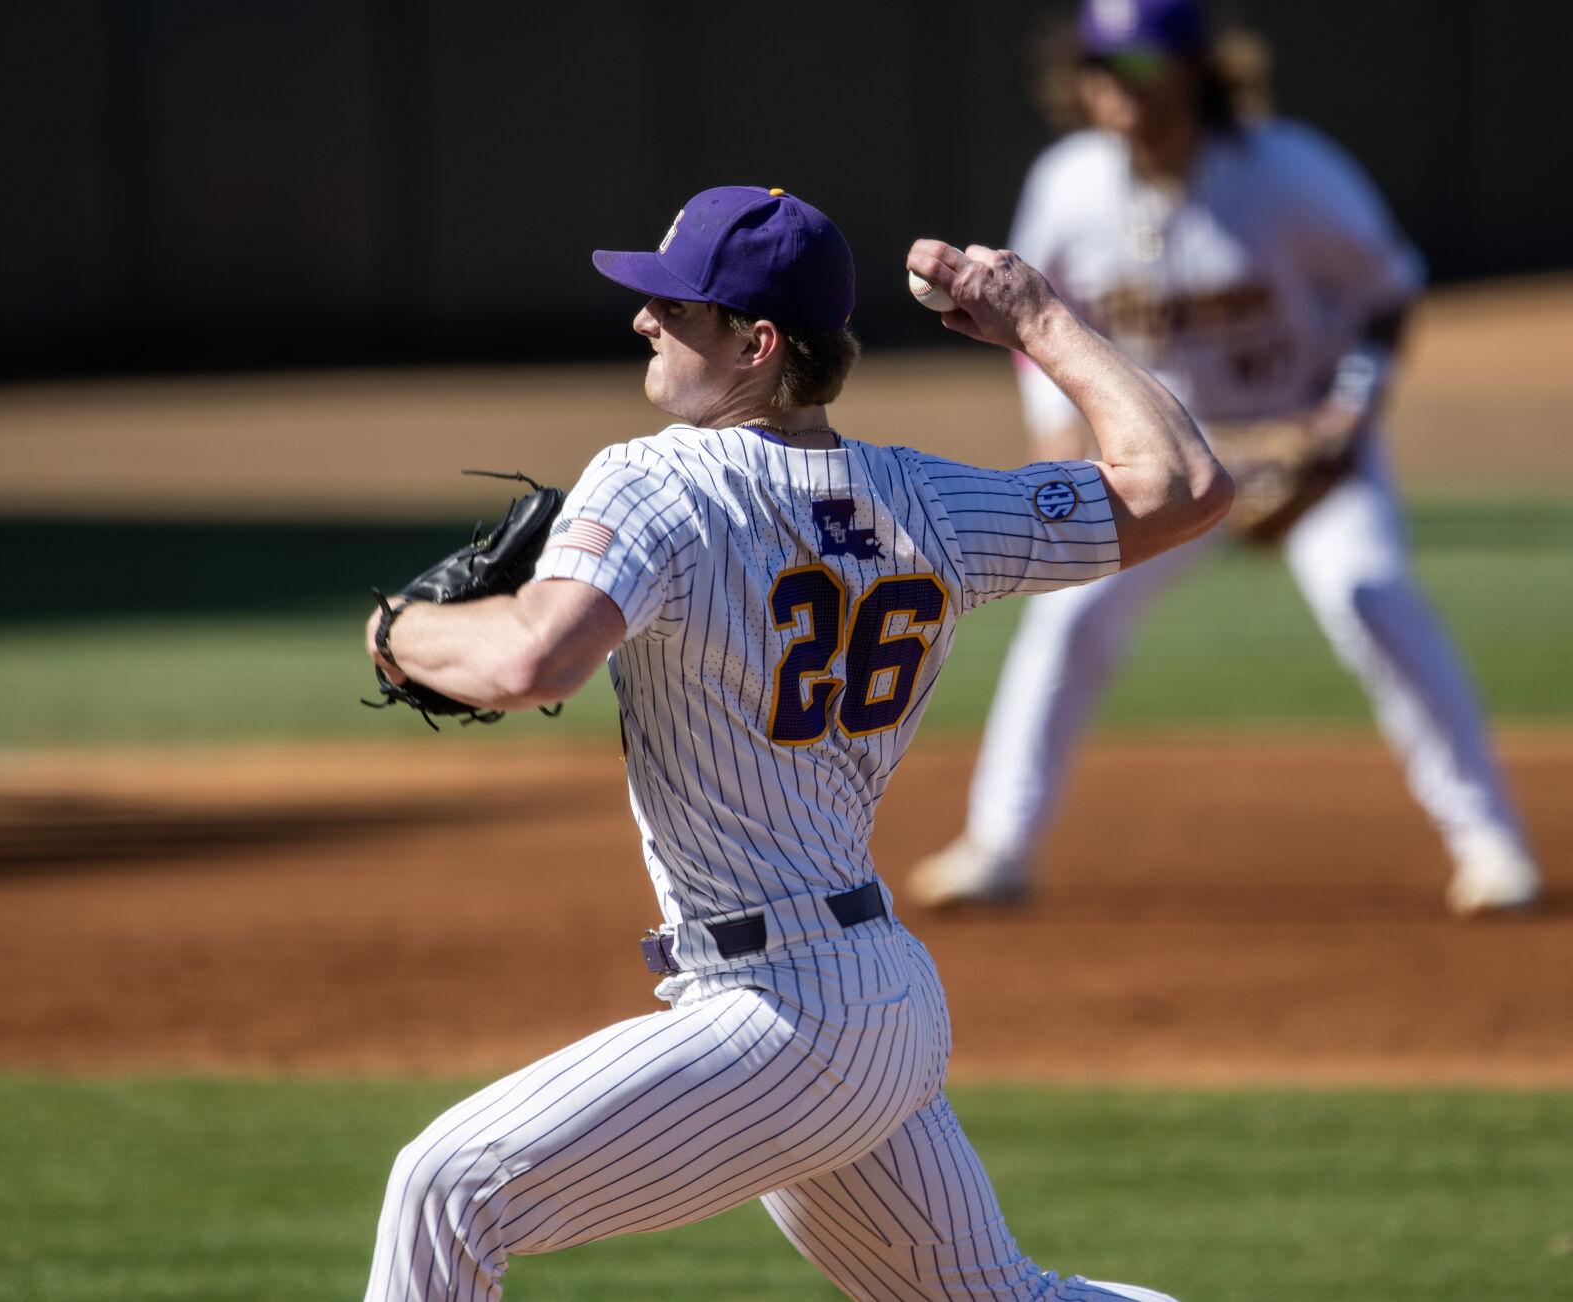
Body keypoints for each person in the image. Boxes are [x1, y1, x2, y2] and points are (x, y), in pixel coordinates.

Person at [359, 184, 1230, 1299]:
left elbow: (531, 662)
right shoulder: (924, 502)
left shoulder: (657, 478)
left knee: (445, 1186)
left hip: (780, 1014)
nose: (644, 318)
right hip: (877, 1001)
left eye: (675, 307)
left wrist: (396, 630)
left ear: (757, 345)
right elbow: (1183, 486)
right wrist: (1039, 323)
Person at [907, 0, 1541, 917]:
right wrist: (1054, 424)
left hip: (1303, 452)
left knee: (1375, 596)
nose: (1107, 84)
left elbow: (1387, 295)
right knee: (1067, 622)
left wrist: (1341, 426)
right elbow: (1031, 322)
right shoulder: (1070, 181)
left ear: (1195, 69)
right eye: (1095, 64)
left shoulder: (1289, 174)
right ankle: (1001, 846)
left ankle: (1490, 845)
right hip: (1162, 462)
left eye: (1131, 64)